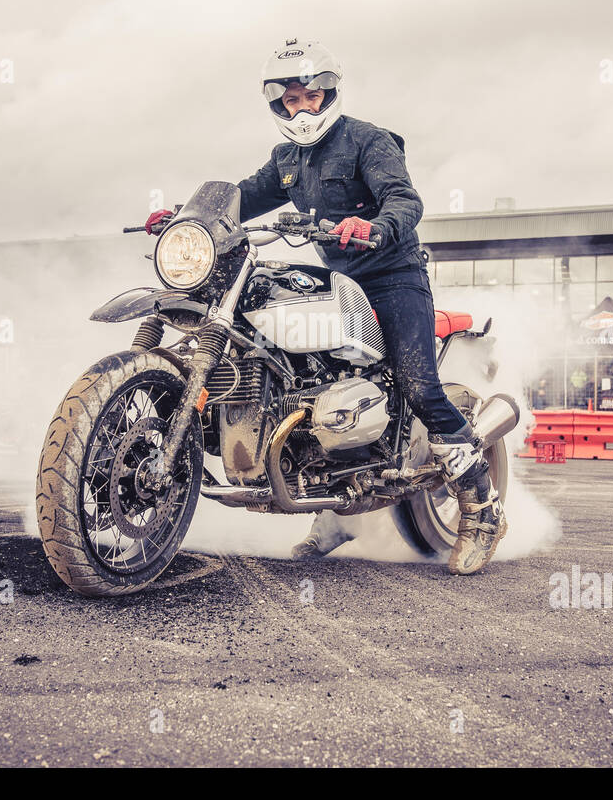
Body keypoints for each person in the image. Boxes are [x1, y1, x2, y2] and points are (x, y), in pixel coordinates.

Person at [145, 39, 504, 575]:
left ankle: (482, 511)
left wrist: (376, 226)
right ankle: (338, 506)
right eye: (289, 99)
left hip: (392, 276)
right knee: (288, 364)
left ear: (328, 92)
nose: (300, 107)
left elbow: (405, 200)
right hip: (337, 280)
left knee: (417, 385)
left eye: (309, 95)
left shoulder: (369, 140)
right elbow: (243, 196)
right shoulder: (287, 160)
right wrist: (185, 214)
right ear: (277, 104)